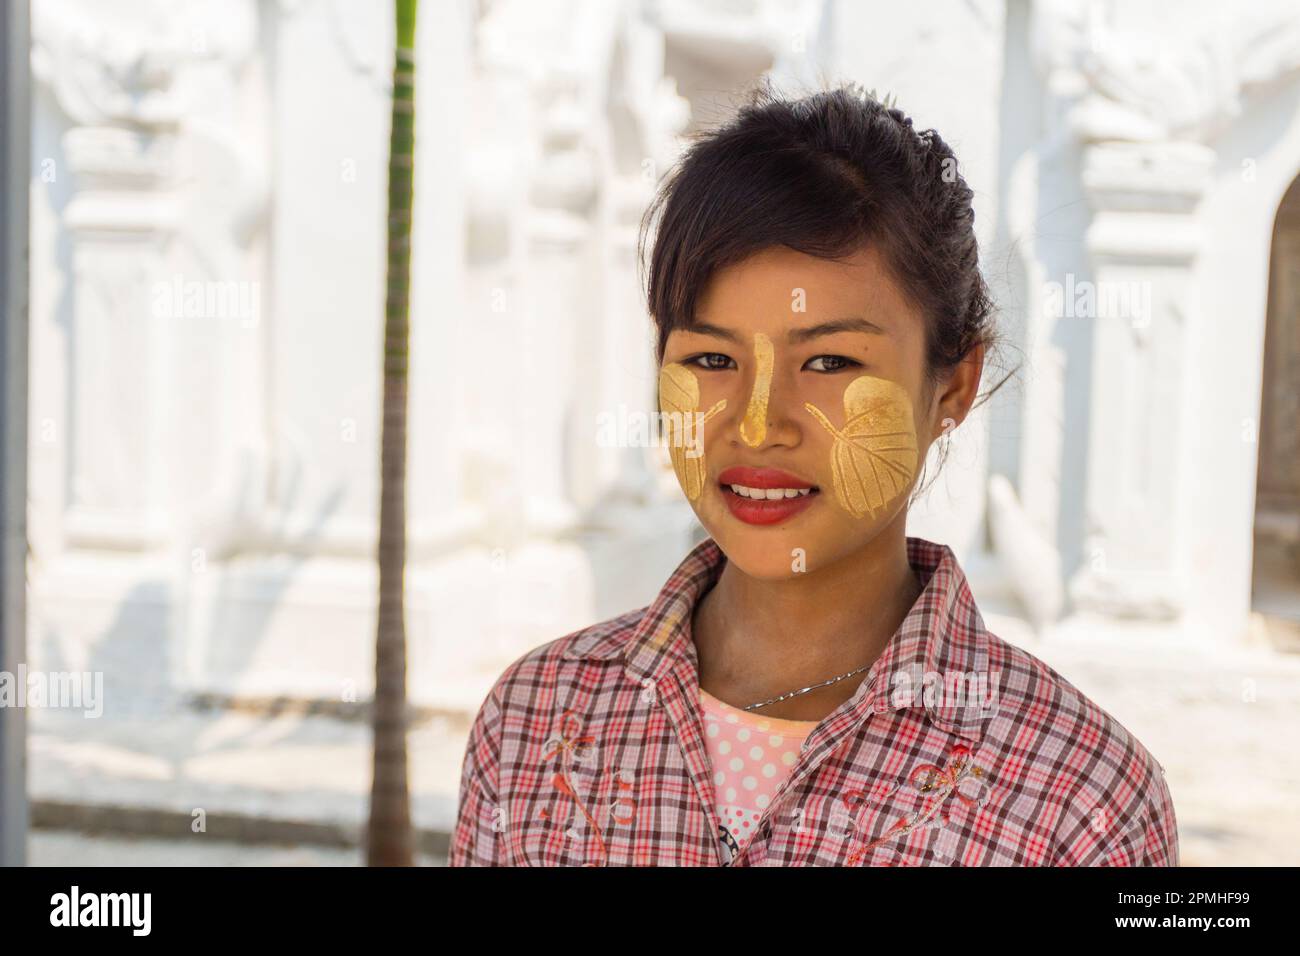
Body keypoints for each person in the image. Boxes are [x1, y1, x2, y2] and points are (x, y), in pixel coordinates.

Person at [449, 82, 1179, 866]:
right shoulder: (536, 727)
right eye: (712, 358)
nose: (759, 423)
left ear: (953, 387)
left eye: (830, 361)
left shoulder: (1080, 803)